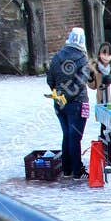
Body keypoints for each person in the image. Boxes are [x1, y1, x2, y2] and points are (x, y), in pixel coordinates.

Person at [46, 27, 91, 178]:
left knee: (67, 135)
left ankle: (67, 170)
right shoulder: (83, 59)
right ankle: (77, 171)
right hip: (77, 103)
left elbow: (50, 80)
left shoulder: (57, 56)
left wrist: (60, 93)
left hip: (59, 103)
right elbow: (79, 84)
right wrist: (68, 96)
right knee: (75, 137)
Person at [88, 42, 111, 106]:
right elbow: (92, 86)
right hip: (100, 102)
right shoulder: (96, 66)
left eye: (109, 55)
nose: (106, 57)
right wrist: (91, 74)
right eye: (104, 54)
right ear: (99, 54)